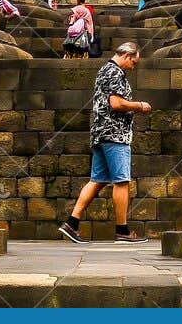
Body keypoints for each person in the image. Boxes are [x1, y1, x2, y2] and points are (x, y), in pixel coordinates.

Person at [58, 42, 152, 244]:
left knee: (98, 180)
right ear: (127, 56)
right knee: (122, 181)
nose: (133, 67)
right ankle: (122, 230)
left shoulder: (104, 69)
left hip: (100, 133)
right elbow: (116, 104)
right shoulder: (116, 72)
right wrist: (139, 106)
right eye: (133, 62)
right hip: (114, 134)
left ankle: (71, 224)